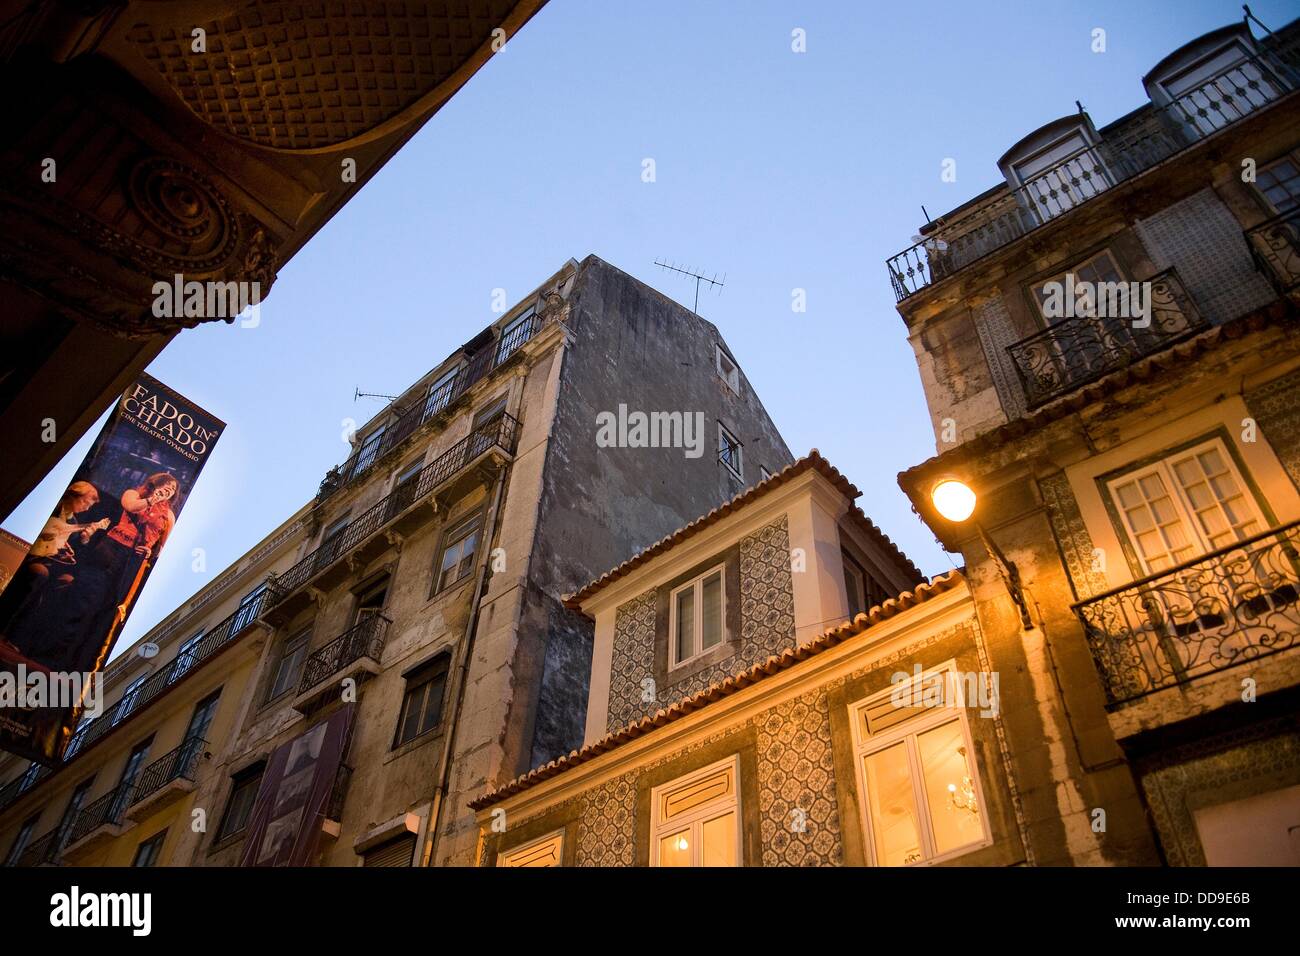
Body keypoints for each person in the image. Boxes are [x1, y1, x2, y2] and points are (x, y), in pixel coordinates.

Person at [0, 481, 105, 661]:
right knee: (40, 574)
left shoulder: (74, 521)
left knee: (69, 583)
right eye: (85, 503)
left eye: (89, 506)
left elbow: (71, 551)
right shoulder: (53, 508)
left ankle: (21, 637)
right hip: (30, 556)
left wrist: (84, 540)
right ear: (74, 494)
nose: (86, 509)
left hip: (53, 563)